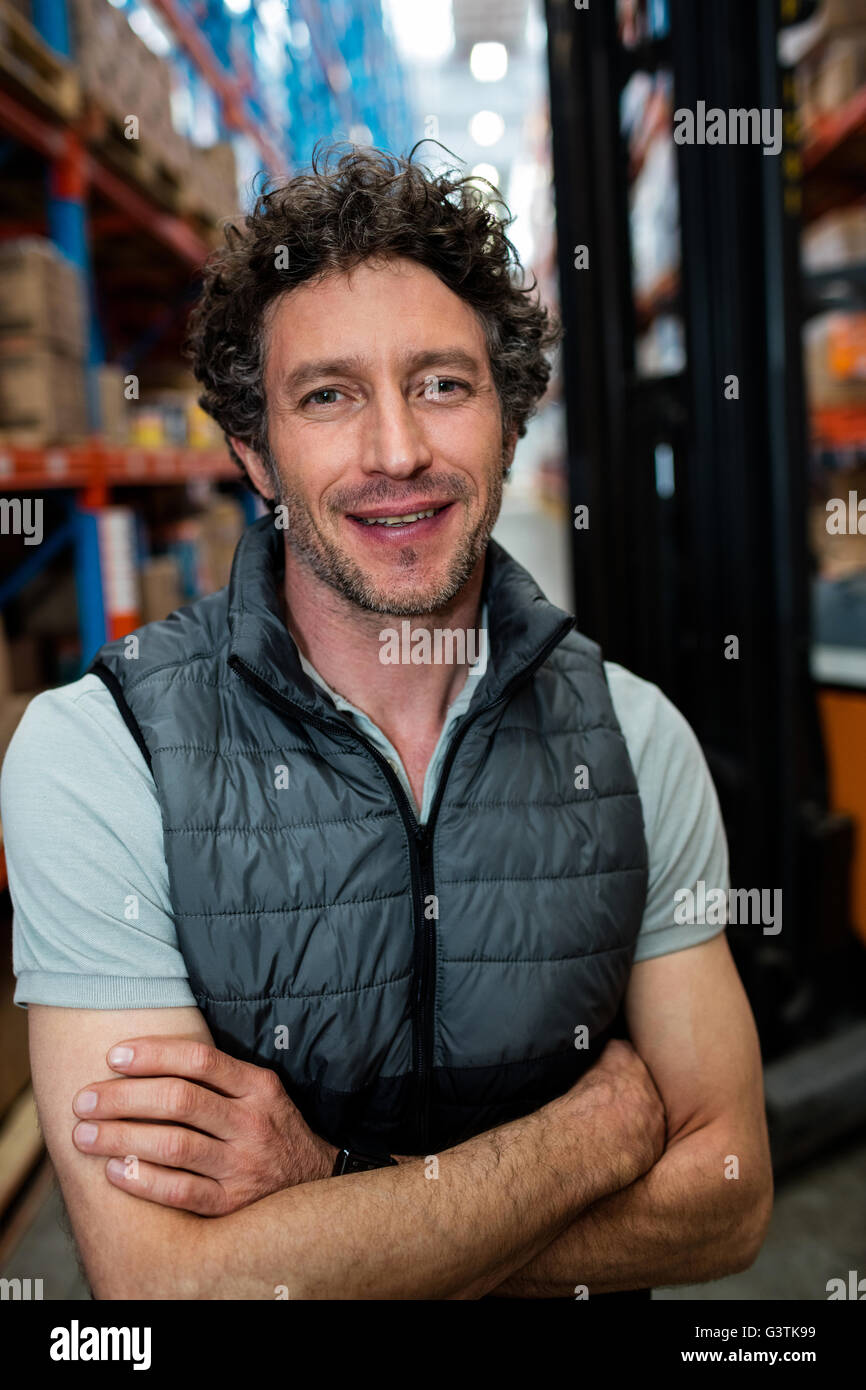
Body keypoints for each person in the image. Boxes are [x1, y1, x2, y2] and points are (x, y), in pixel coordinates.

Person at [2, 145, 772, 1300]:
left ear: (508, 424)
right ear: (253, 453)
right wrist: (592, 1136)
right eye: (327, 395)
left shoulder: (631, 735)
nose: (397, 450)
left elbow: (726, 1190)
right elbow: (168, 1285)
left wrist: (329, 1186)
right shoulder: (101, 752)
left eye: (441, 384)